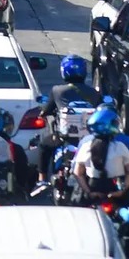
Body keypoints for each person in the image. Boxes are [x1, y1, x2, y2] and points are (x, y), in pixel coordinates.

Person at [37, 54, 102, 182]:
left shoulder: (57, 90)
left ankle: (42, 179)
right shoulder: (94, 93)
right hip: (90, 138)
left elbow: (46, 111)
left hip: (65, 138)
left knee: (44, 146)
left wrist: (43, 113)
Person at [73, 107, 129, 203]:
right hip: (115, 190)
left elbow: (78, 173)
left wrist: (89, 192)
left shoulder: (85, 146)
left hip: (93, 189)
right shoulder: (120, 147)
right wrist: (121, 190)